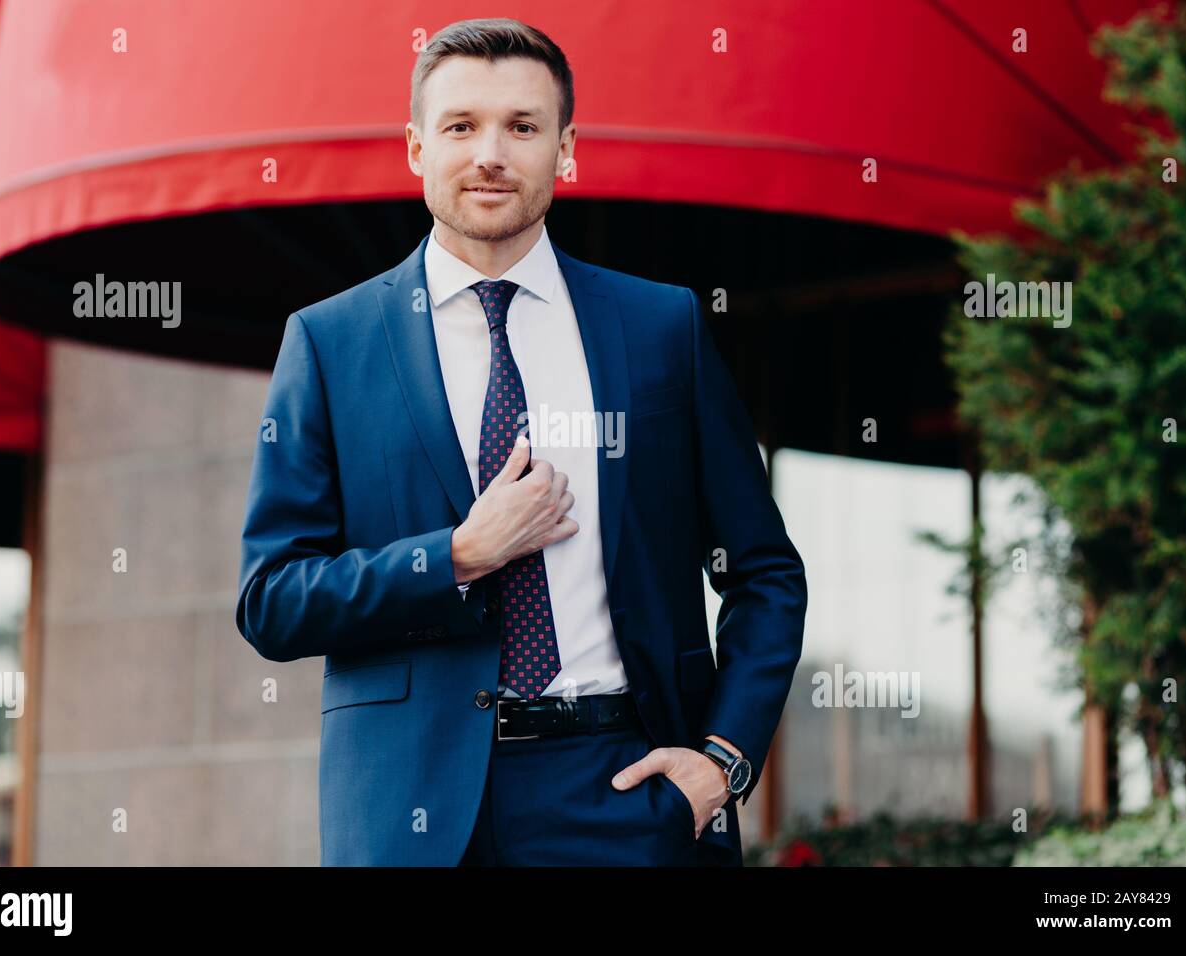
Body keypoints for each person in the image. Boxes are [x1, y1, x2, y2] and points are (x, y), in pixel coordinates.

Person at [235, 16, 806, 866]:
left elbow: (763, 573)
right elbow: (273, 599)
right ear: (417, 149)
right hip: (409, 813)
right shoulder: (330, 342)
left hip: (621, 793)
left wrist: (724, 761)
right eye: (461, 126)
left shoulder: (661, 328)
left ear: (565, 150)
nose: (490, 154)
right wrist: (457, 555)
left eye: (523, 127)